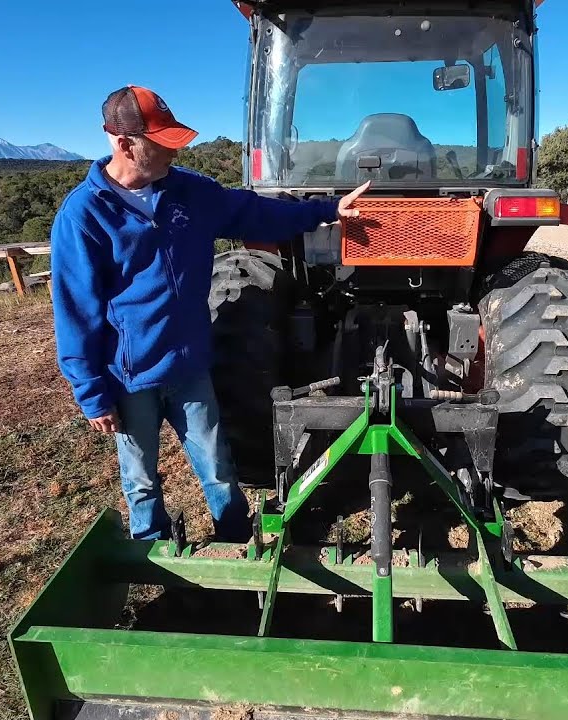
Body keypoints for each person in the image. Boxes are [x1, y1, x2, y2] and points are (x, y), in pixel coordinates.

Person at [49, 84, 369, 542]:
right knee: (141, 481)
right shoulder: (84, 215)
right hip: (130, 375)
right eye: (160, 144)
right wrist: (90, 391)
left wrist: (327, 209)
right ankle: (152, 555)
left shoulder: (189, 193)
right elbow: (76, 310)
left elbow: (257, 212)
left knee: (218, 468)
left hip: (189, 366)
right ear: (123, 143)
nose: (171, 155)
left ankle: (236, 541)